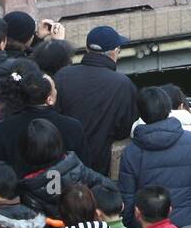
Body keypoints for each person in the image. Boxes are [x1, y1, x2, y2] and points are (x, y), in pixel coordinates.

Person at [117, 86, 191, 228]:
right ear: (168, 108)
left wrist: (130, 224)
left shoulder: (131, 152)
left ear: (141, 114)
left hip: (150, 224)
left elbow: (127, 198)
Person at [54, 26, 139, 178]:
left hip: (61, 164)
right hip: (98, 167)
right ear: (114, 52)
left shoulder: (63, 75)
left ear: (87, 49)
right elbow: (125, 130)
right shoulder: (123, 84)